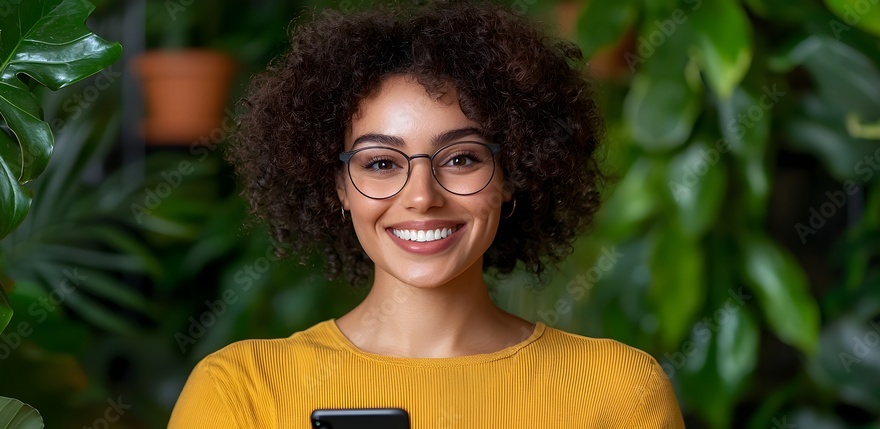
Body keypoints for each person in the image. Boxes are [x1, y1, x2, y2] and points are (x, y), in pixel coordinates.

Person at [169, 1, 685, 427]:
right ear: (340, 187)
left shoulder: (618, 392)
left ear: (513, 174)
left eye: (461, 159)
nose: (421, 196)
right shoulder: (241, 391)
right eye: (380, 163)